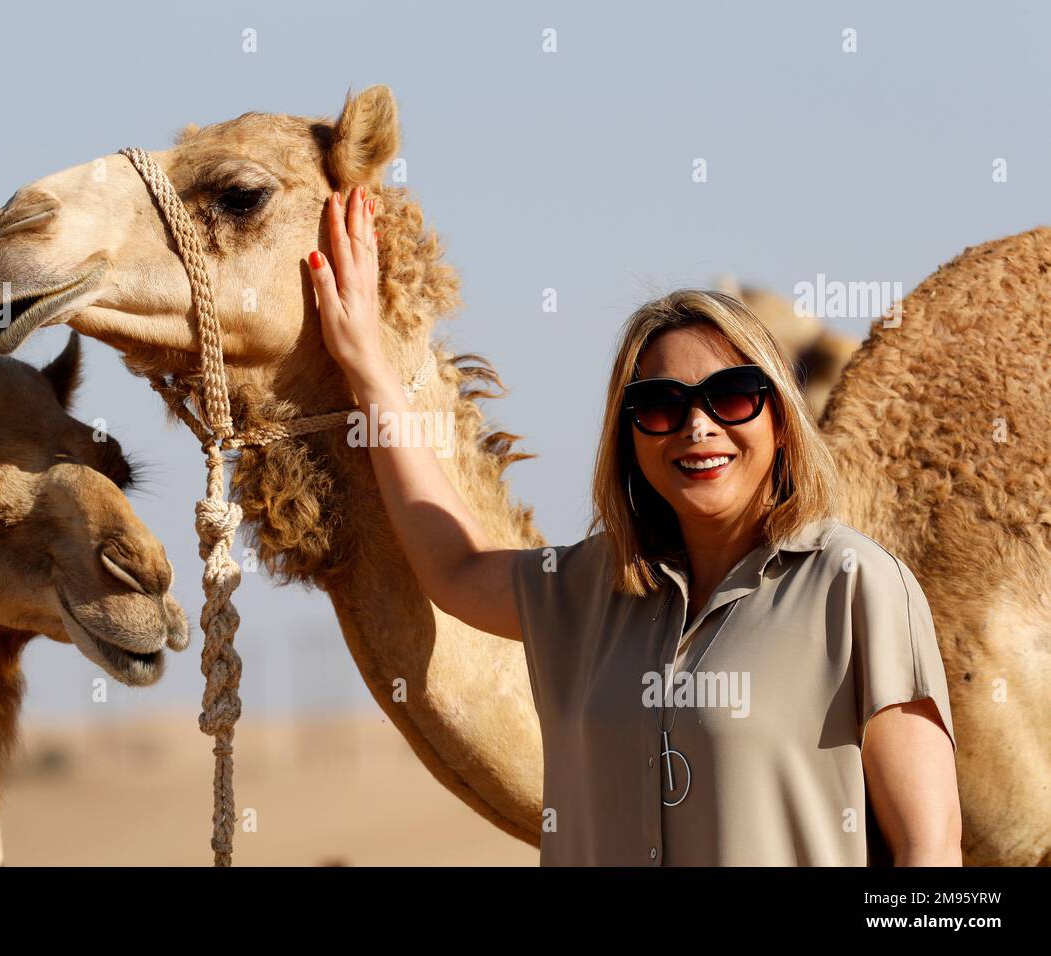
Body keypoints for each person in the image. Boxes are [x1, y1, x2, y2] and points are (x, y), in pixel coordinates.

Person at [305, 185, 962, 866]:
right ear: (629, 436)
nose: (697, 425)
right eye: (660, 405)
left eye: (732, 396)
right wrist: (370, 371)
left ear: (781, 420)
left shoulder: (855, 587)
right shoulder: (592, 588)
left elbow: (931, 850)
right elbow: (456, 567)